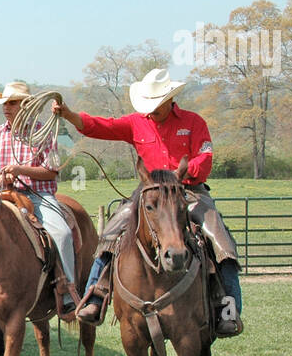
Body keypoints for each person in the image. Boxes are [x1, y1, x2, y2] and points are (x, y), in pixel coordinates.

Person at [53, 68, 243, 337]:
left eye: (156, 106)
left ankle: (228, 310)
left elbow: (205, 157)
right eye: (149, 106)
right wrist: (70, 115)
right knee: (110, 234)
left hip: (189, 191)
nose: (152, 111)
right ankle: (95, 298)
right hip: (150, 194)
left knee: (220, 240)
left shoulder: (194, 122)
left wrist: (181, 173)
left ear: (169, 100)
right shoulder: (136, 122)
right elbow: (101, 126)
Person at [0, 81, 79, 321]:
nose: (6, 107)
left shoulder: (43, 132)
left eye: (12, 103)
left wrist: (19, 170)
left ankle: (68, 291)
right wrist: (3, 177)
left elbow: (51, 171)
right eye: (4, 103)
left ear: (25, 105)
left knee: (62, 234)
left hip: (38, 196)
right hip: (4, 196)